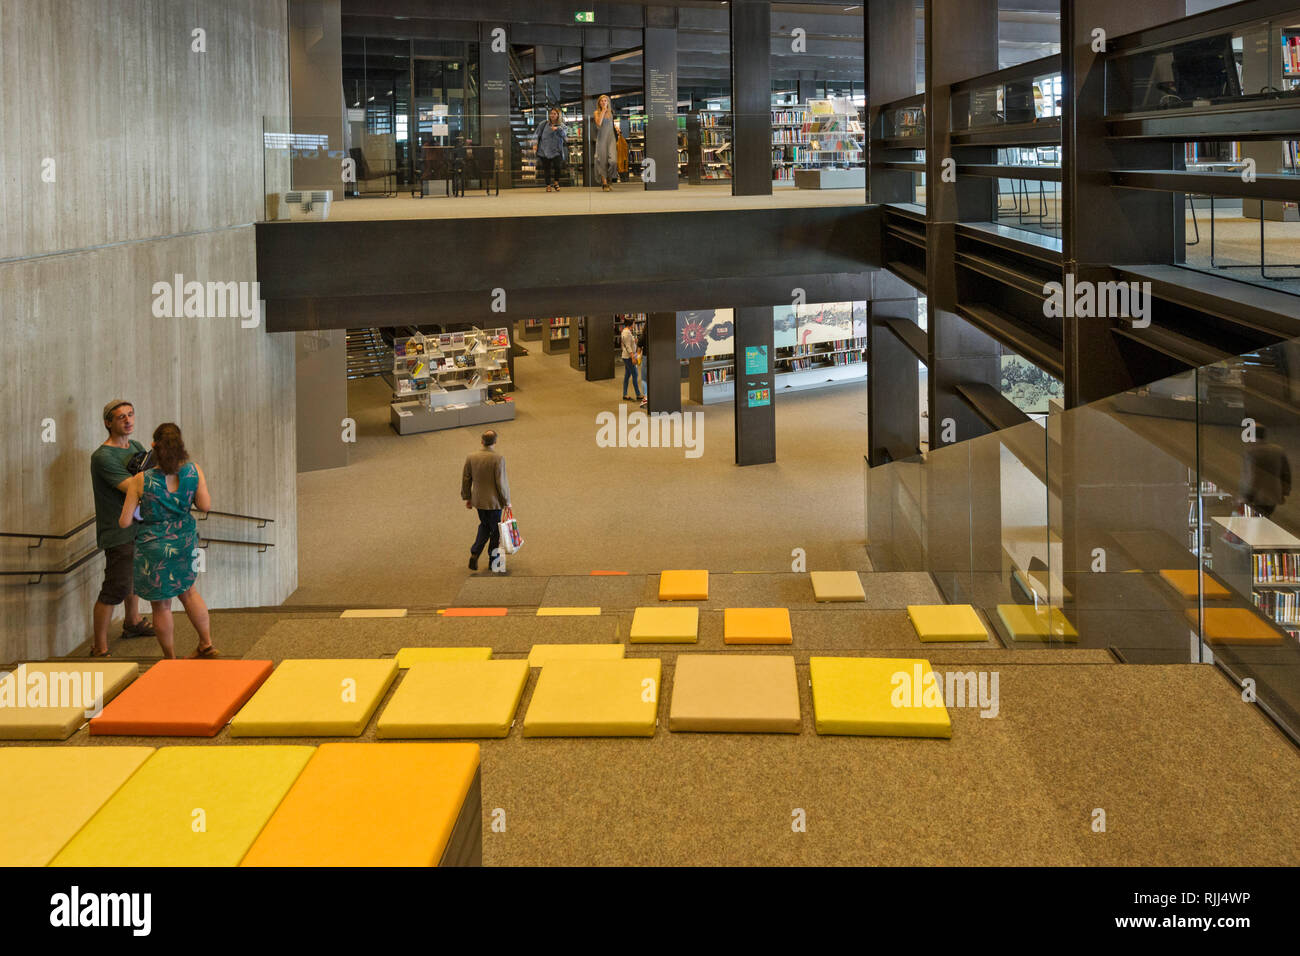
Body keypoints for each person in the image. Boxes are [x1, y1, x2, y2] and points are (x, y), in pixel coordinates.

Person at [117, 423, 217, 660]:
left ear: (154, 446)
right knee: (190, 593)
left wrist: (143, 508)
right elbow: (204, 506)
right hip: (184, 542)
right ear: (180, 446)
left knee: (161, 606)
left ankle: (171, 659)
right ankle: (206, 644)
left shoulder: (141, 480)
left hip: (153, 548)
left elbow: (124, 522)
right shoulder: (194, 471)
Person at [89, 399, 155, 657]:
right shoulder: (102, 457)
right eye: (121, 417)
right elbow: (132, 488)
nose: (128, 420)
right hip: (118, 531)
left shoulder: (137, 446)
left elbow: (149, 478)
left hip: (139, 524)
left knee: (134, 578)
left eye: (130, 415)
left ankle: (133, 622)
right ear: (108, 423)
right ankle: (99, 647)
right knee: (115, 587)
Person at [462, 429, 511, 573]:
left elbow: (466, 478)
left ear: (481, 441)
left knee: (484, 525)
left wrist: (468, 497)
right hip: (494, 502)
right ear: (495, 442)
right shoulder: (498, 459)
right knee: (495, 531)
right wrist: (507, 501)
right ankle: (494, 562)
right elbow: (501, 483)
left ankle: (475, 552)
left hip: (479, 501)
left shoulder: (471, 457)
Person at [1240, 425, 1292, 518]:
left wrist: (1247, 497)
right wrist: (1284, 491)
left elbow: (1253, 477)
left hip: (1257, 497)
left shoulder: (1251, 453)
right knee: (1265, 518)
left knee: (1257, 521)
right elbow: (1286, 473)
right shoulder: (1278, 450)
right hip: (1274, 495)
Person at [536, 108, 567, 192]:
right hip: (544, 150)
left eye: (554, 114)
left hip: (556, 150)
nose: (552, 115)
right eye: (551, 113)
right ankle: (548, 185)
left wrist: (557, 129)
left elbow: (564, 135)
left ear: (558, 115)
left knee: (558, 166)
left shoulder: (562, 126)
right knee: (547, 168)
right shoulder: (543, 124)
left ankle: (556, 183)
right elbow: (537, 135)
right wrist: (535, 144)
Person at [591, 94, 618, 191]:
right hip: (601, 139)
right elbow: (598, 124)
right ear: (599, 102)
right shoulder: (596, 112)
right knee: (601, 161)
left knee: (613, 161)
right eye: (602, 101)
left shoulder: (611, 112)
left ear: (608, 102)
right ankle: (604, 182)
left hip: (611, 139)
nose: (603, 102)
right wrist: (603, 110)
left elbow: (611, 125)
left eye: (605, 101)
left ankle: (610, 177)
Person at [620, 317, 643, 404]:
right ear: (631, 324)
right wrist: (633, 357)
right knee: (635, 374)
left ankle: (625, 394)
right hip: (628, 357)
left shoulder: (626, 332)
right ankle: (638, 394)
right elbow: (628, 346)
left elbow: (628, 343)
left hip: (627, 356)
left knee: (627, 375)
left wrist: (634, 341)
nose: (634, 325)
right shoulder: (627, 333)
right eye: (633, 323)